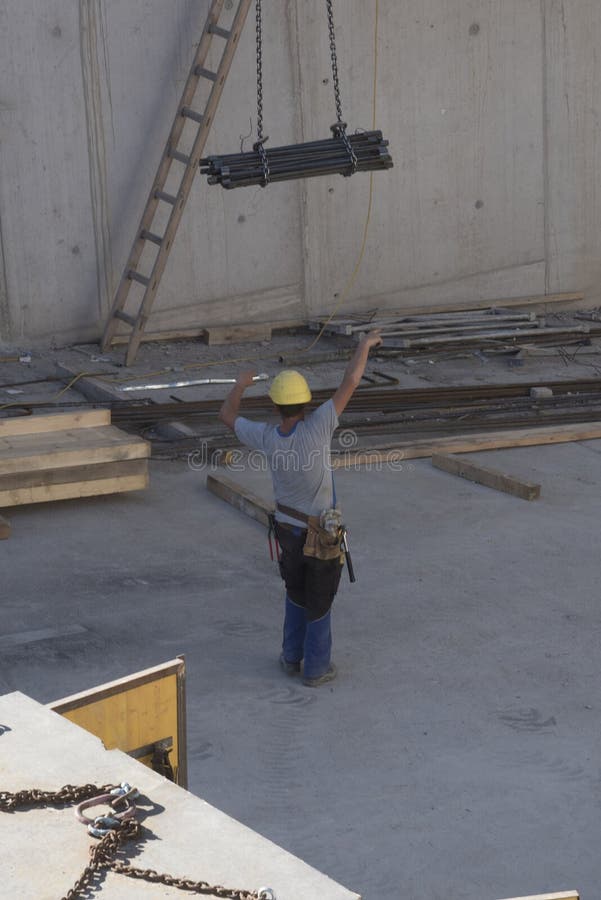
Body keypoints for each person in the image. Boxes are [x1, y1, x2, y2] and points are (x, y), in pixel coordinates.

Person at [219, 330, 382, 686]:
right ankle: (316, 669)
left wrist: (241, 384)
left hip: (288, 533)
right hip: (320, 535)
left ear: (275, 406)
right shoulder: (320, 427)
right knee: (319, 600)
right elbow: (352, 379)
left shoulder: (264, 436)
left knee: (294, 592)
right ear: (307, 403)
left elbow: (227, 415)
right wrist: (364, 345)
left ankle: (291, 656)